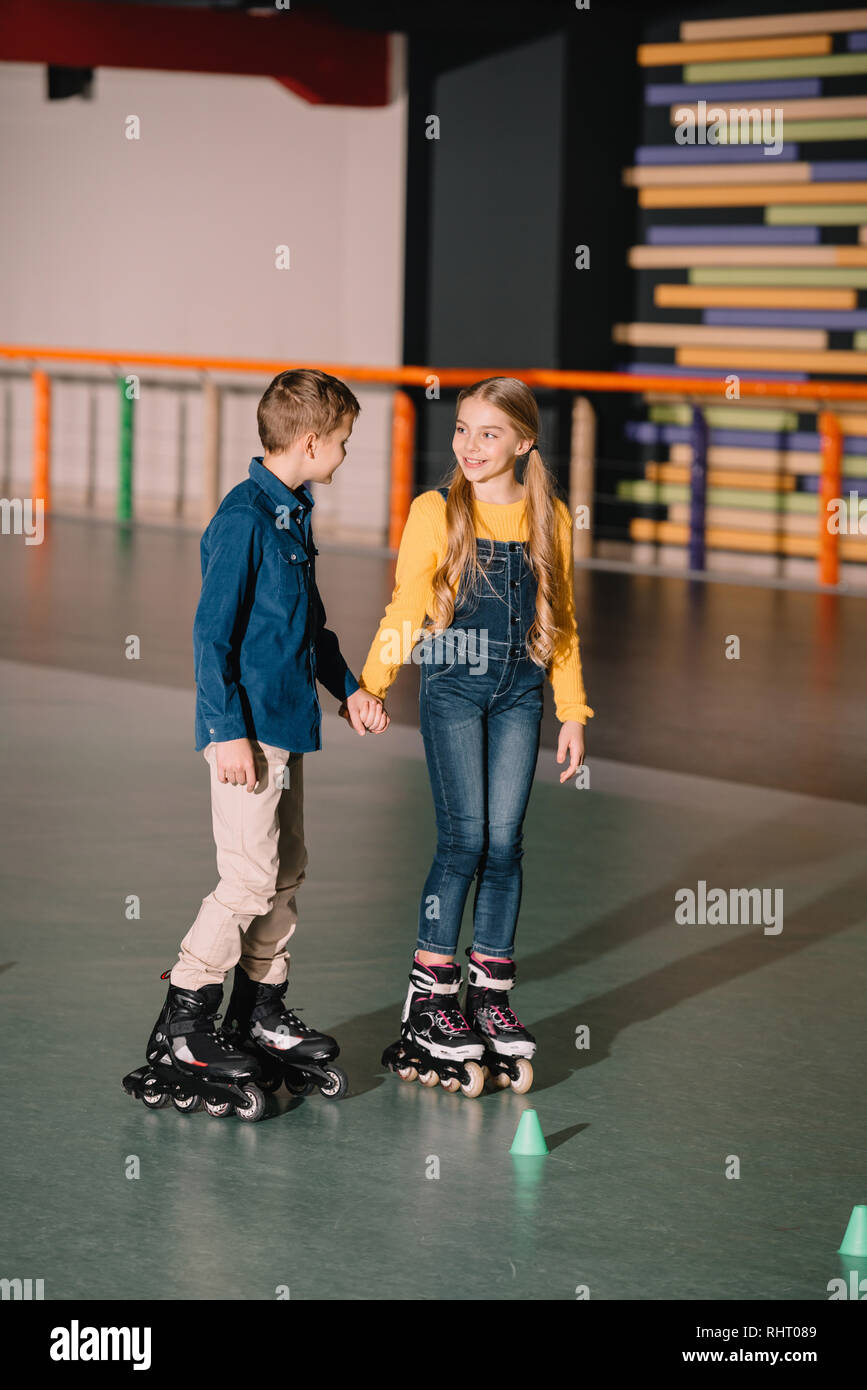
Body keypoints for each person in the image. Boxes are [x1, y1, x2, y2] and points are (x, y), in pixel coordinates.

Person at [124, 368, 388, 1119]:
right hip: (245, 733)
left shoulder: (291, 515)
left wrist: (353, 690)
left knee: (285, 871)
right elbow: (212, 639)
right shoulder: (242, 520)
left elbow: (312, 631)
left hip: (286, 727)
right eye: (342, 444)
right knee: (244, 880)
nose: (343, 456)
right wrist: (225, 730)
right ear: (310, 442)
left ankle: (257, 1012)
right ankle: (184, 1024)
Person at [360, 377, 593, 1096]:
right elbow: (406, 603)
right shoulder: (436, 510)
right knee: (462, 842)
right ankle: (431, 992)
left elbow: (561, 621)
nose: (469, 445)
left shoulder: (549, 515)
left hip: (520, 693)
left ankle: (488, 992)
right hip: (453, 688)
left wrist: (572, 711)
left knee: (504, 843)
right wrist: (374, 682)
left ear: (523, 442)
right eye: (461, 429)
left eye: (488, 433)